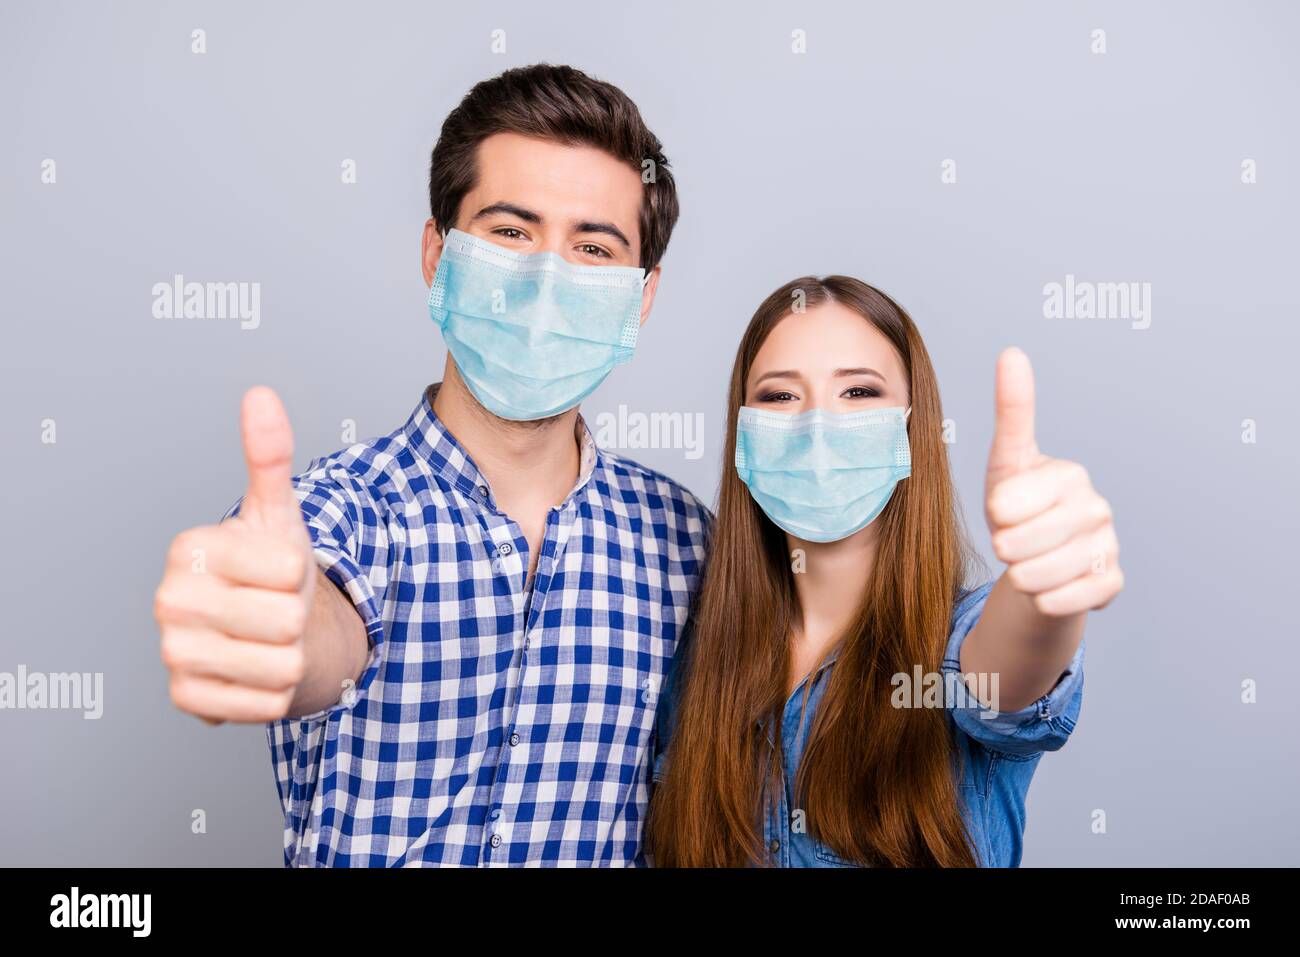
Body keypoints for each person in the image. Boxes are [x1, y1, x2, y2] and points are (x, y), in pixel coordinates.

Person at [153, 64, 711, 866]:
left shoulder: (688, 544)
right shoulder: (338, 507)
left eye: (593, 248)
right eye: (511, 232)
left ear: (642, 296)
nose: (545, 278)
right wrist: (275, 630)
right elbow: (318, 628)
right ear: (437, 252)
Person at [645, 276, 1122, 867]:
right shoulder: (689, 660)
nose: (816, 426)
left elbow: (1006, 675)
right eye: (778, 396)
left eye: (859, 392)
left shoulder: (959, 640)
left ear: (910, 426)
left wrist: (1045, 587)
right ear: (742, 433)